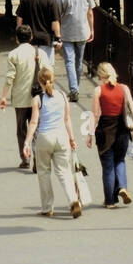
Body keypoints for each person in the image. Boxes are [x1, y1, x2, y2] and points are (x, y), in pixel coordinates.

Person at [22, 66, 81, 218]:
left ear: (40, 82)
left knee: (44, 172)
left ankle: (48, 207)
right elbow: (67, 119)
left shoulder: (37, 99)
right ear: (52, 80)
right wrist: (72, 138)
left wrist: (27, 142)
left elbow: (34, 122)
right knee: (64, 171)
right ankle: (73, 200)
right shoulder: (62, 96)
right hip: (61, 136)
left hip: (45, 137)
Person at [88, 62, 133, 208]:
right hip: (122, 131)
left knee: (108, 166)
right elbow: (132, 110)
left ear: (100, 75)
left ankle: (110, 201)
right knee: (120, 160)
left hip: (105, 132)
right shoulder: (124, 88)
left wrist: (90, 135)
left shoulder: (98, 90)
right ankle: (122, 187)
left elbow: (95, 115)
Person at [0, 24, 39, 170]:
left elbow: (10, 77)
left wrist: (3, 96)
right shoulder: (38, 53)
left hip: (20, 97)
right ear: (31, 37)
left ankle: (25, 158)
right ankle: (37, 155)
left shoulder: (13, 55)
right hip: (37, 97)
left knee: (21, 129)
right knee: (36, 128)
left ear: (17, 39)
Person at [54, 0, 95, 98]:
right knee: (79, 61)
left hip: (67, 31)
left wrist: (57, 32)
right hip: (83, 30)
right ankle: (75, 87)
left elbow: (57, 14)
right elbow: (90, 12)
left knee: (70, 61)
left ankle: (74, 89)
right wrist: (92, 29)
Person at [17, 0, 58, 67]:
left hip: (29, 38)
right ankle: (44, 82)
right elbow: (55, 21)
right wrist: (58, 38)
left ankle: (34, 82)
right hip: (46, 39)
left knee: (30, 66)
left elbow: (20, 17)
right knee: (46, 67)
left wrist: (18, 34)